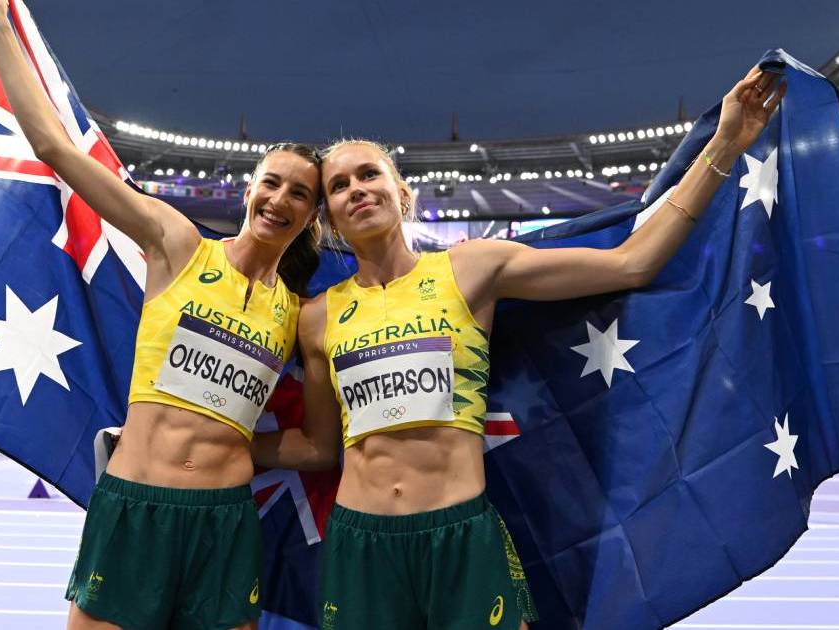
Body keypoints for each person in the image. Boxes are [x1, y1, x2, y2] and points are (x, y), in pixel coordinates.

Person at [253, 65, 786, 629]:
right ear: (329, 217)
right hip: (361, 542)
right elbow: (318, 448)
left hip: (460, 536)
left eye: (369, 175)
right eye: (339, 186)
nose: (356, 189)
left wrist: (725, 143)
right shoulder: (316, 319)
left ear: (401, 193)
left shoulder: (472, 268)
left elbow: (633, 263)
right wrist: (218, 447)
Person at [0, 2, 324, 628]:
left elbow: (317, 446)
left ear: (312, 216)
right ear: (249, 189)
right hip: (135, 505)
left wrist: (241, 448)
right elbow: (55, 148)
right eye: (272, 183)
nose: (280, 200)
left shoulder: (297, 314)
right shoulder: (177, 243)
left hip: (224, 519)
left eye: (300, 193)